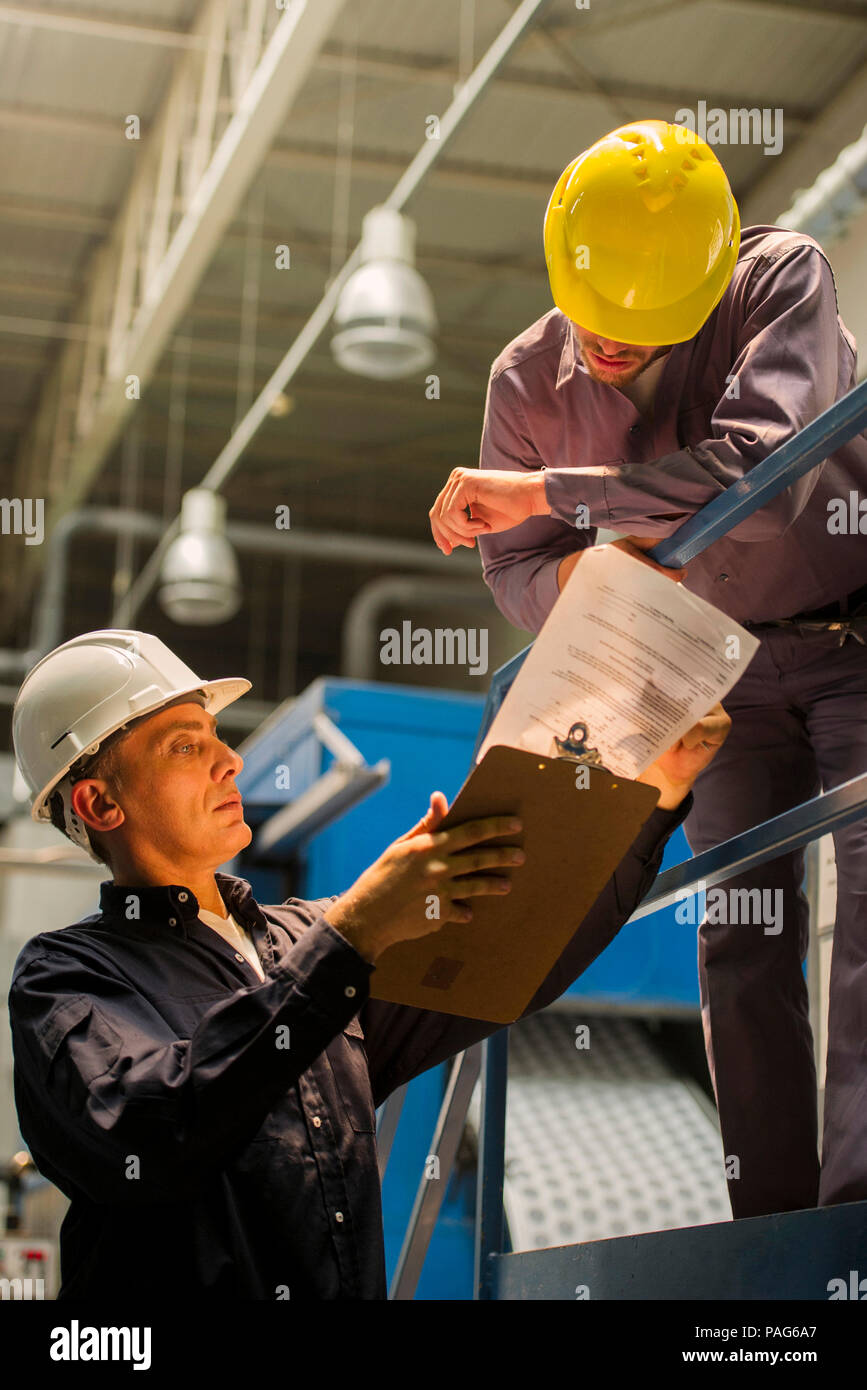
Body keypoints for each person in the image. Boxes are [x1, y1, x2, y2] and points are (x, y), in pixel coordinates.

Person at [429, 118, 867, 1221]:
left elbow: (765, 477)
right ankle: (770, 1236)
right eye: (597, 325)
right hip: (708, 668)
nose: (614, 348)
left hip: (859, 638)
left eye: (646, 330)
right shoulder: (524, 380)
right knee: (740, 936)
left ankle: (857, 1226)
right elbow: (519, 570)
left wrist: (561, 497)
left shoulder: (779, 278)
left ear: (710, 275)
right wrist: (602, 577)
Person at [7, 627, 726, 1299]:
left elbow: (512, 960)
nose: (231, 760)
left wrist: (651, 797)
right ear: (100, 803)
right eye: (185, 747)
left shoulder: (298, 939)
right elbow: (147, 1135)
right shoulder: (66, 977)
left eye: (217, 738)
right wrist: (349, 935)